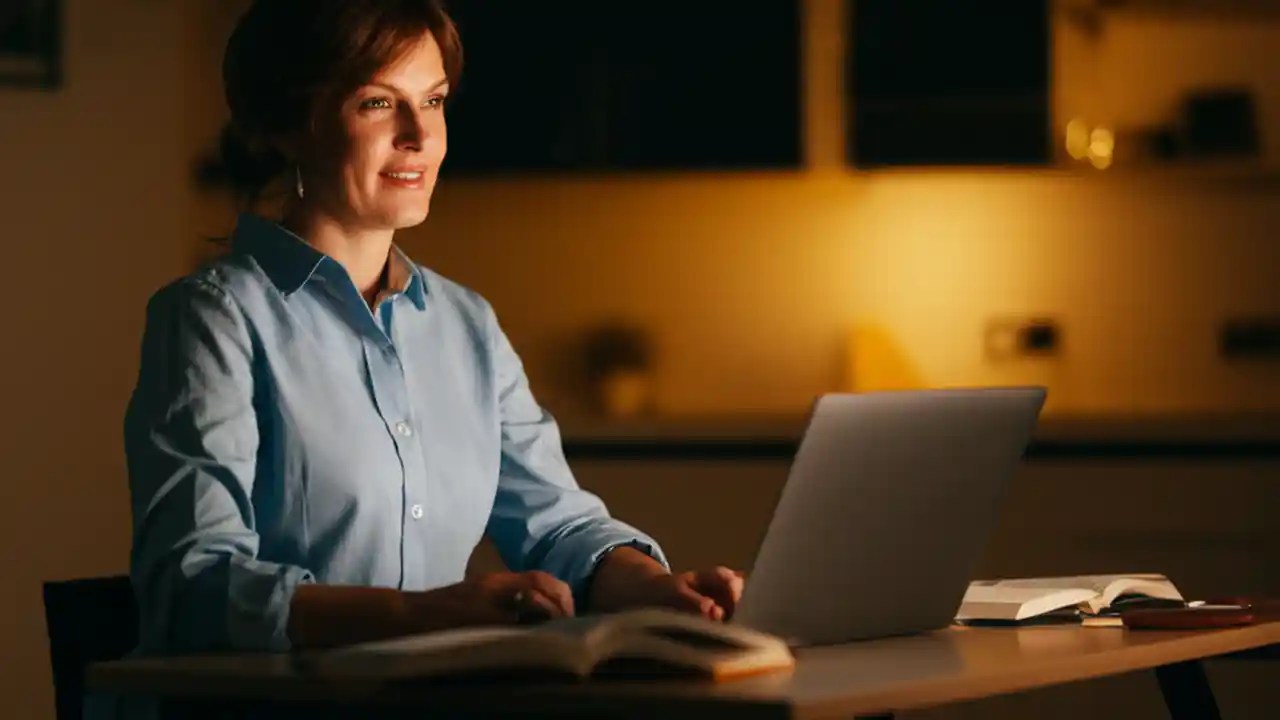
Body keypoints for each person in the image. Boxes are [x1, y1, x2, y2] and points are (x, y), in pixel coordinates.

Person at [125, 0, 743, 654]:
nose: (420, 135)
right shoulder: (213, 318)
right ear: (286, 124)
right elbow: (191, 586)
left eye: (434, 100)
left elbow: (559, 527)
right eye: (377, 103)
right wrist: (420, 613)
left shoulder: (466, 324)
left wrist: (653, 586)